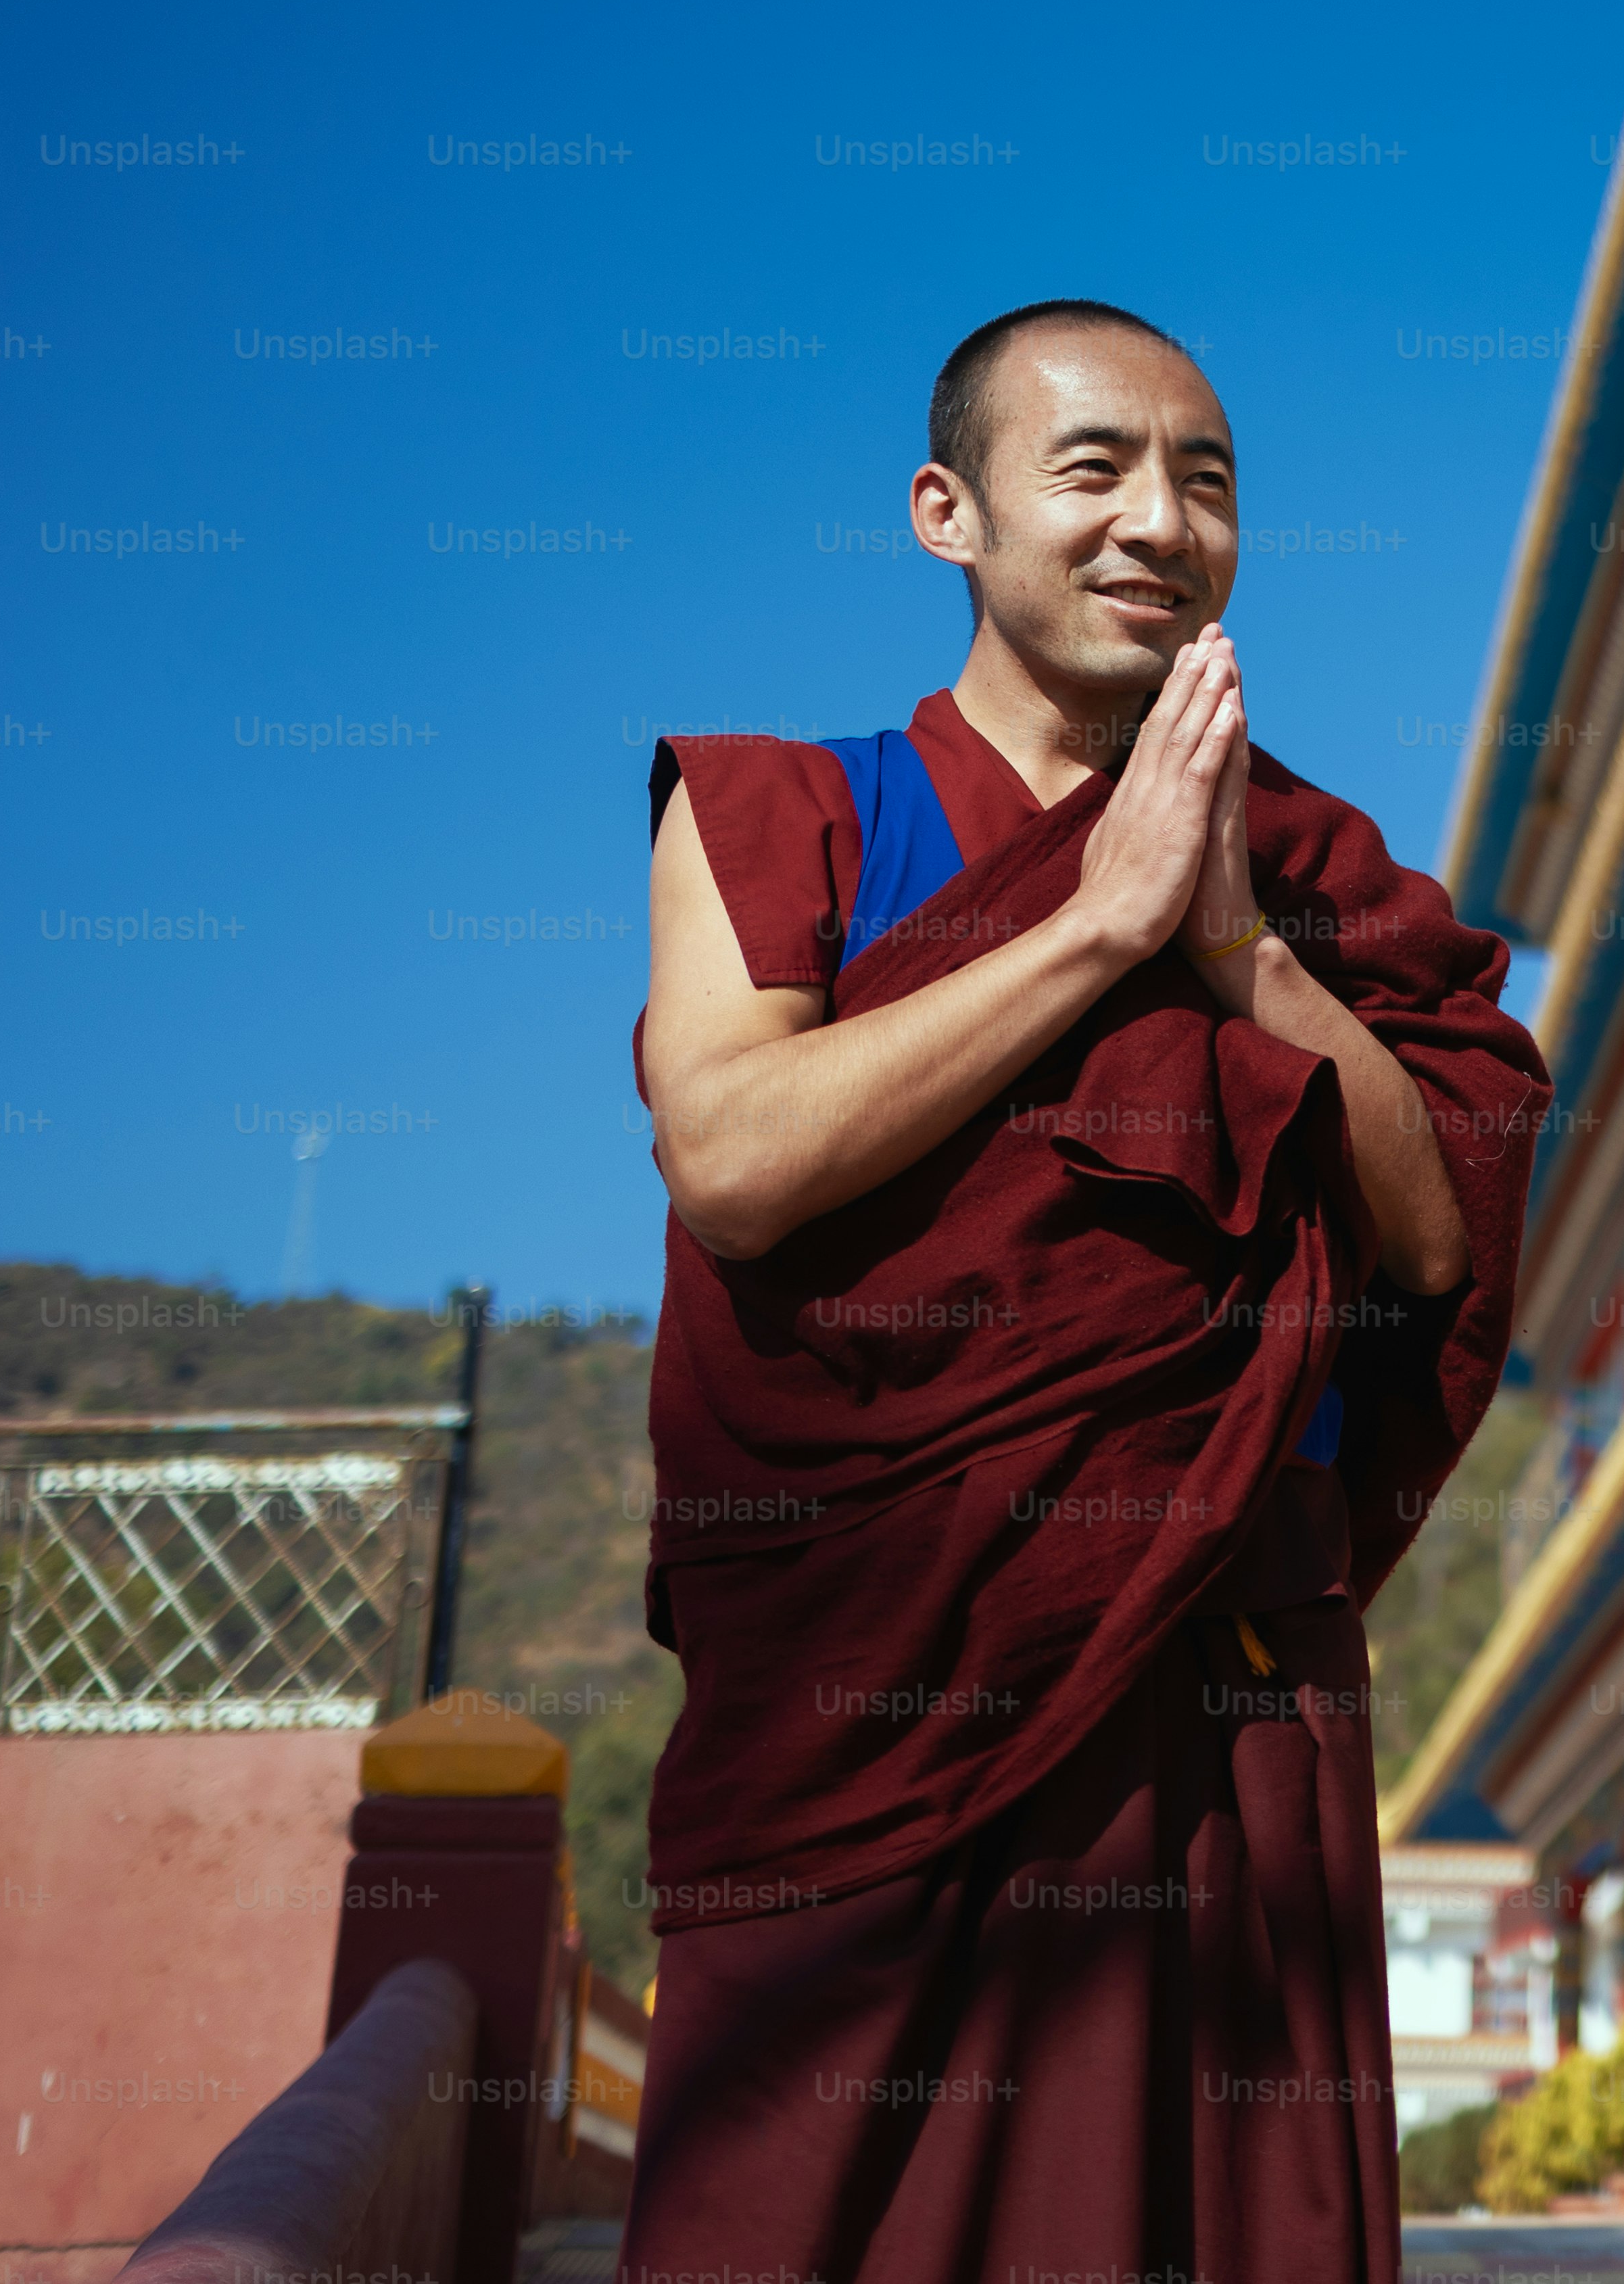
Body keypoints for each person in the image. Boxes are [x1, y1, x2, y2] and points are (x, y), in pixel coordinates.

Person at [617, 299, 1547, 2284]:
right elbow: (738, 1159)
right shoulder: (795, 809)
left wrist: (1238, 955)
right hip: (873, 1715)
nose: (1159, 522)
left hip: (1214, 1689)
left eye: (1206, 483)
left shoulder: (1299, 869)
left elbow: (1439, 1240)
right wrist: (1099, 928)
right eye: (1096, 468)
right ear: (950, 513)